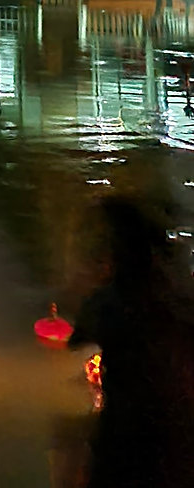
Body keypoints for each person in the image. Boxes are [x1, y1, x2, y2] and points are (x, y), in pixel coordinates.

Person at [67, 197, 194, 487]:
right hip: (178, 447)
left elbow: (77, 339)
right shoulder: (178, 298)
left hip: (127, 446)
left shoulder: (110, 303)